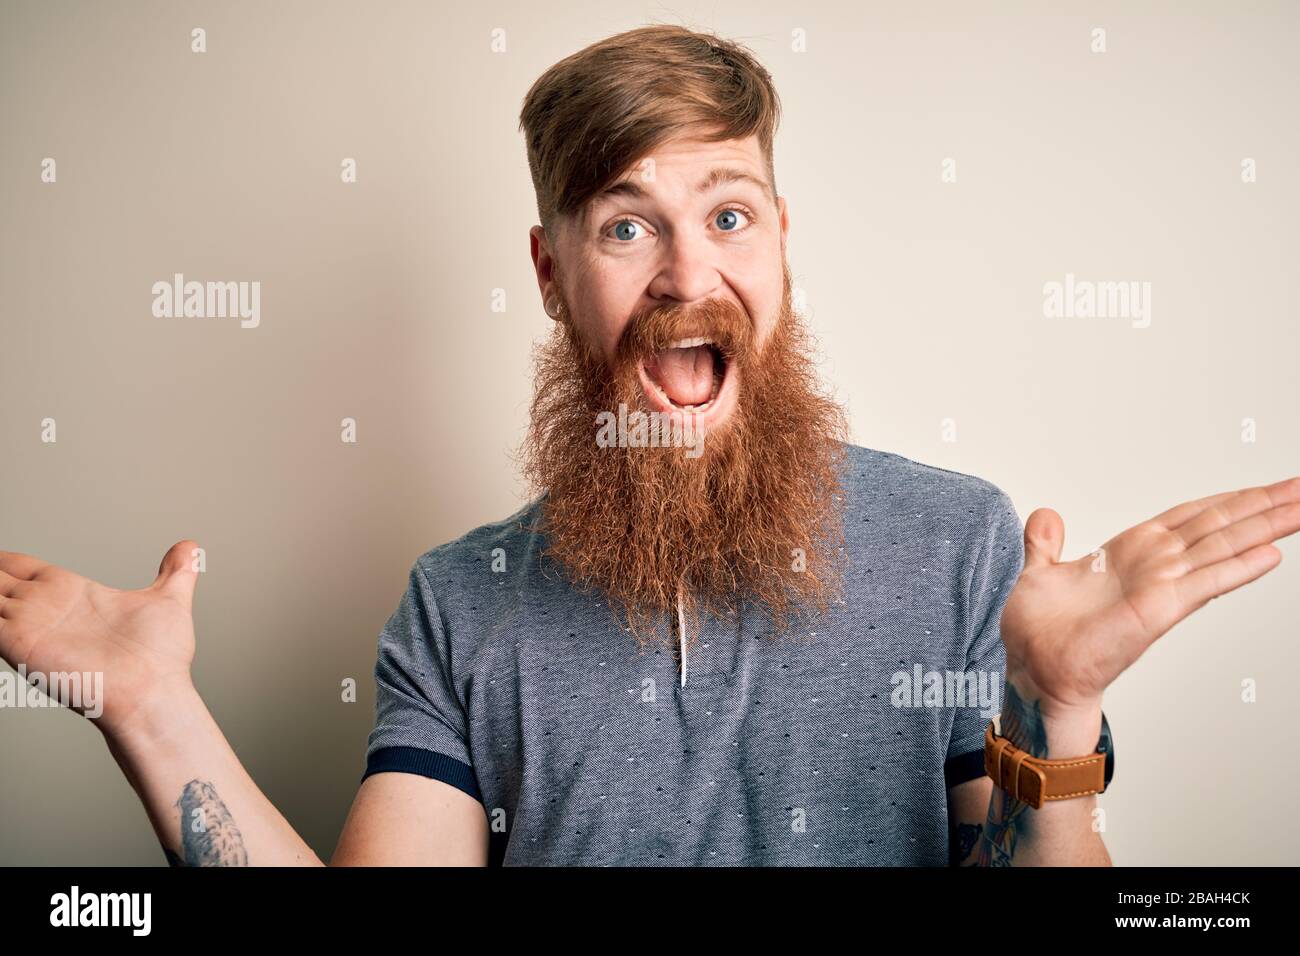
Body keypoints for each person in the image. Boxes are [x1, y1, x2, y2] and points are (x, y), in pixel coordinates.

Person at [2, 24, 1297, 866]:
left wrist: (1054, 709)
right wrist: (152, 709)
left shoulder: (962, 547)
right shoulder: (463, 607)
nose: (690, 273)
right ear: (551, 272)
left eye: (729, 215)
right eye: (626, 228)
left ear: (783, 243)